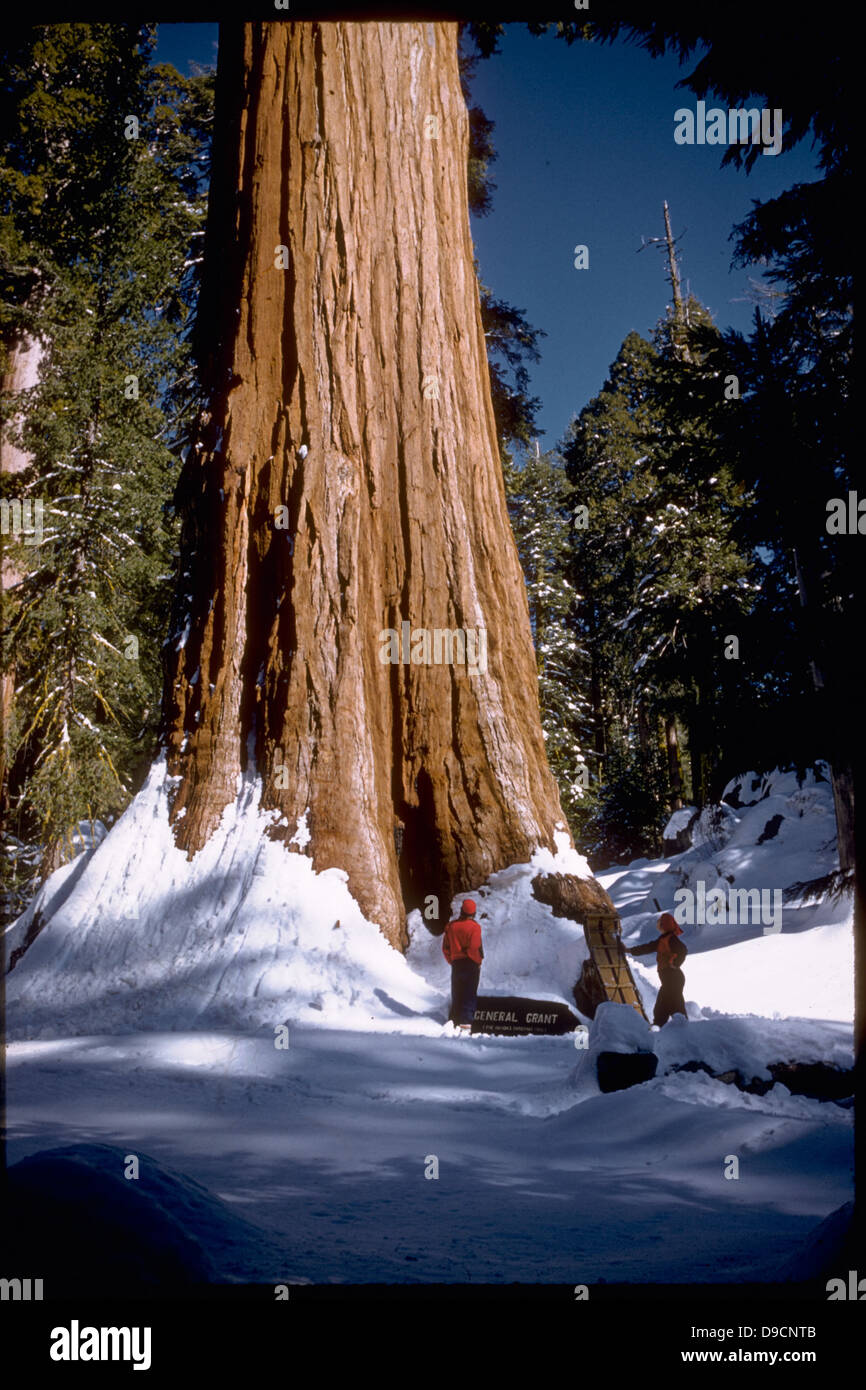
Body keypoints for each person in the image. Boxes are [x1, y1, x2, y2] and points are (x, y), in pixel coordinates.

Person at [626, 911, 688, 1027]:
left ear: (664, 925)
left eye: (660, 923)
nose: (658, 925)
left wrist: (675, 963)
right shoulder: (663, 939)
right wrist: (629, 950)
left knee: (674, 1007)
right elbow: (647, 947)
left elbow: (683, 950)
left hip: (673, 978)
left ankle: (680, 1031)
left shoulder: (670, 939)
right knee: (664, 1007)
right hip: (670, 980)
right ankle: (661, 1029)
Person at [443, 898, 484, 1032]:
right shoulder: (475, 927)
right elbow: (474, 948)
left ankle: (454, 1020)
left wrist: (452, 960)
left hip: (456, 963)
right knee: (469, 992)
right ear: (474, 913)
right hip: (470, 963)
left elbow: (445, 948)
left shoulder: (451, 926)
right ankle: (466, 1022)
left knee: (457, 991)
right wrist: (477, 962)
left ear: (461, 910)